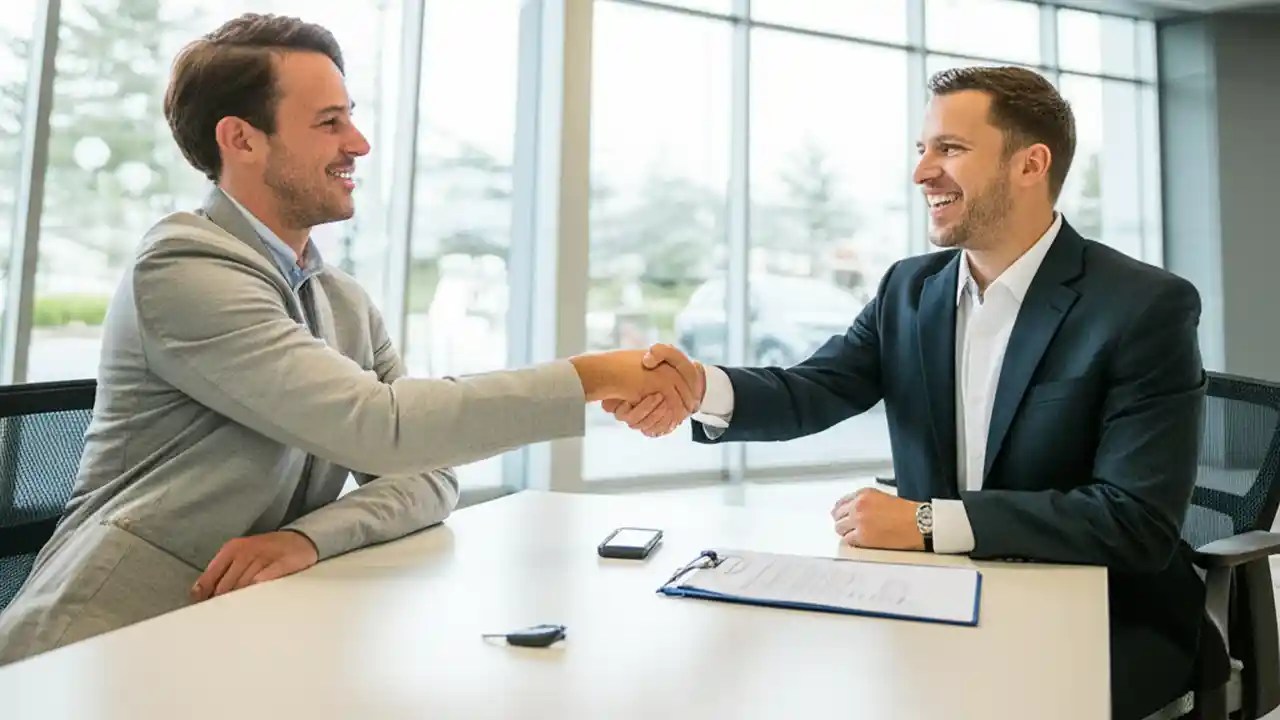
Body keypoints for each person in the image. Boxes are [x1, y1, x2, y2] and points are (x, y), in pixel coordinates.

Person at [0, 13, 695, 666]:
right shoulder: (182, 270)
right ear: (241, 139)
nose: (358, 143)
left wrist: (308, 537)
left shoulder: (343, 302)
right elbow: (381, 430)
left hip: (235, 639)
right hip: (95, 646)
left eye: (351, 118)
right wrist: (590, 377)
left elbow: (427, 473)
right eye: (330, 122)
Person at [607, 67, 1206, 719]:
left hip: (1107, 616)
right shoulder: (909, 290)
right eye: (921, 150)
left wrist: (924, 522)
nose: (921, 173)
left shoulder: (1142, 307)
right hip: (938, 598)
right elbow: (817, 387)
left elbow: (1135, 523)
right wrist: (699, 388)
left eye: (949, 149)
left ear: (1031, 164)